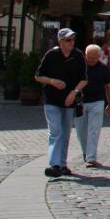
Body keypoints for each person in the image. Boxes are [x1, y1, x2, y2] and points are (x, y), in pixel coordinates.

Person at [34, 28, 87, 177]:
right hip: (51, 99)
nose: (71, 42)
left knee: (65, 133)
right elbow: (38, 76)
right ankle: (55, 164)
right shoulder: (51, 55)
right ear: (60, 41)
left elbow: (84, 79)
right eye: (68, 40)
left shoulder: (77, 55)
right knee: (55, 132)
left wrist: (74, 92)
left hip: (69, 101)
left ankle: (62, 164)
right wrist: (52, 81)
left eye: (73, 40)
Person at [75, 44, 110, 168]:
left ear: (99, 56)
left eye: (94, 57)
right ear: (85, 55)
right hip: (80, 102)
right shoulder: (79, 67)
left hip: (97, 101)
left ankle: (91, 157)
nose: (91, 60)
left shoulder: (103, 68)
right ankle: (86, 152)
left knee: (94, 130)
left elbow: (108, 87)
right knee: (80, 131)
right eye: (89, 57)